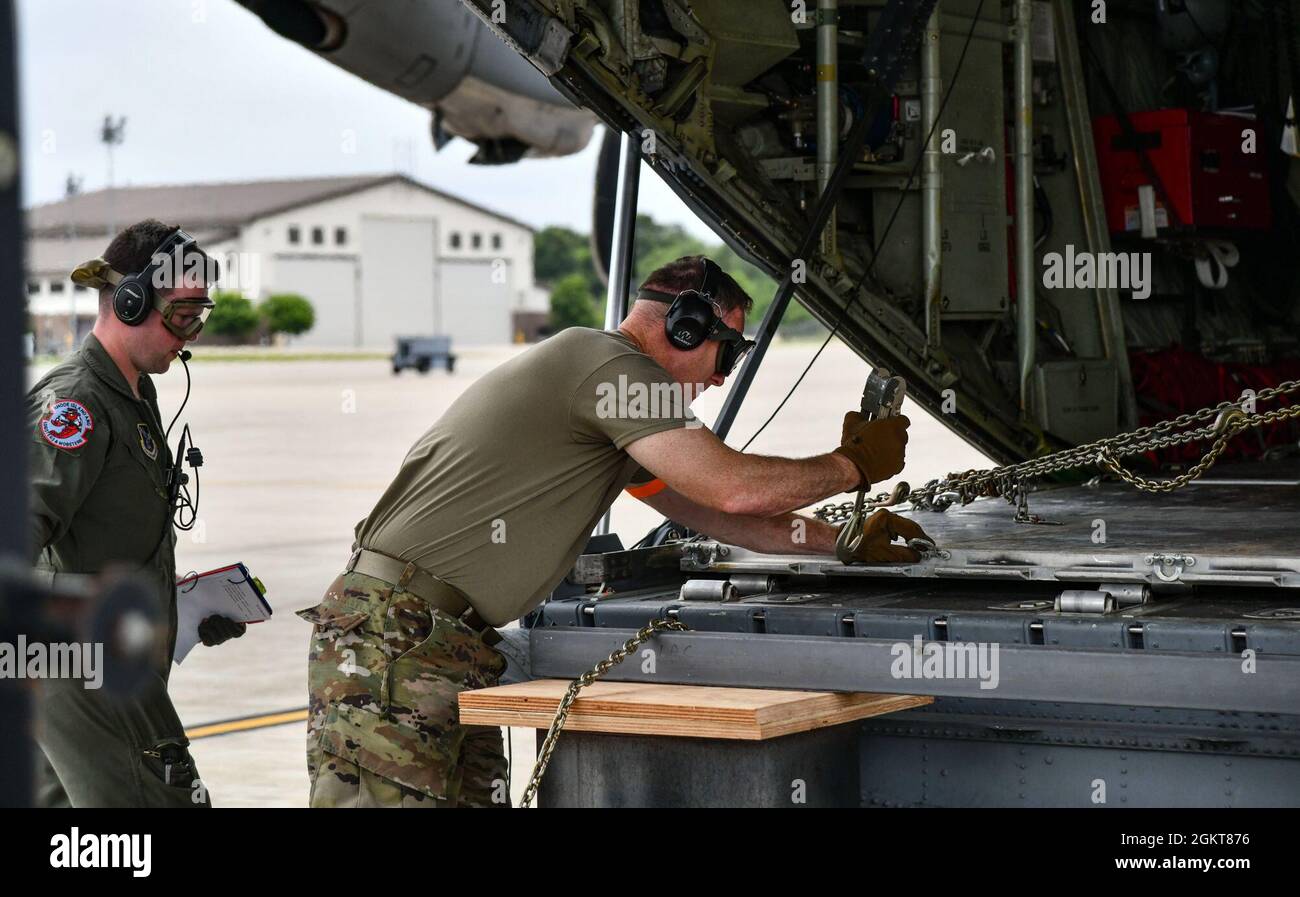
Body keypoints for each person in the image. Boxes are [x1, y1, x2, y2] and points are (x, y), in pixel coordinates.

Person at [299, 255, 931, 807]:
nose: (719, 378)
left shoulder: (612, 394)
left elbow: (712, 511)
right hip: (395, 640)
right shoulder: (608, 368)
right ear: (686, 326)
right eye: (728, 354)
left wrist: (837, 540)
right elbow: (731, 485)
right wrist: (853, 466)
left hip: (435, 640)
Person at [27, 219, 243, 807]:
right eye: (180, 314)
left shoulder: (133, 396)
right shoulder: (77, 404)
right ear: (129, 302)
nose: (190, 333)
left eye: (201, 315)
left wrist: (180, 608)